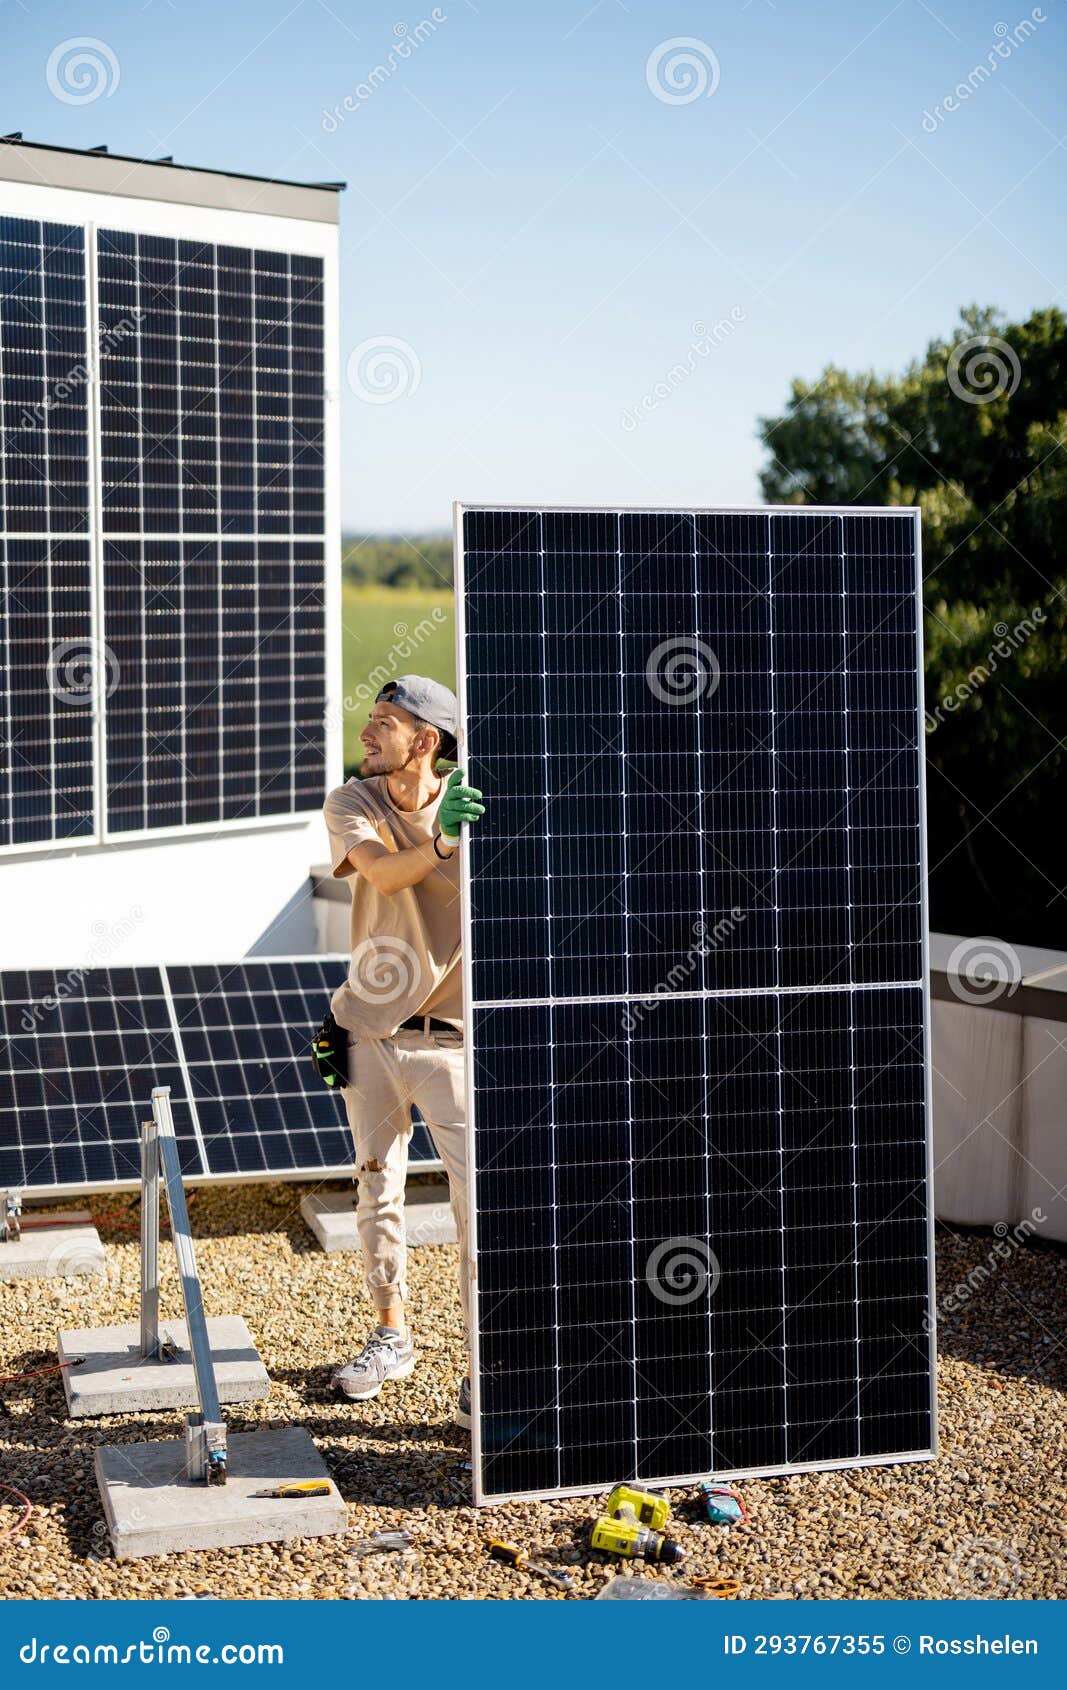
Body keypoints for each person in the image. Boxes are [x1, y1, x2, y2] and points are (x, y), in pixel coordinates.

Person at [322, 675, 485, 1428]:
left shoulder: (478, 804)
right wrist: (442, 840)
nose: (367, 731)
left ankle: (485, 1363)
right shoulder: (352, 802)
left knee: (473, 1210)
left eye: (384, 722)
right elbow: (386, 875)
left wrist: (460, 833)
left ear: (426, 741)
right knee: (375, 1189)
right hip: (370, 1036)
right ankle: (390, 1335)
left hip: (454, 1045)